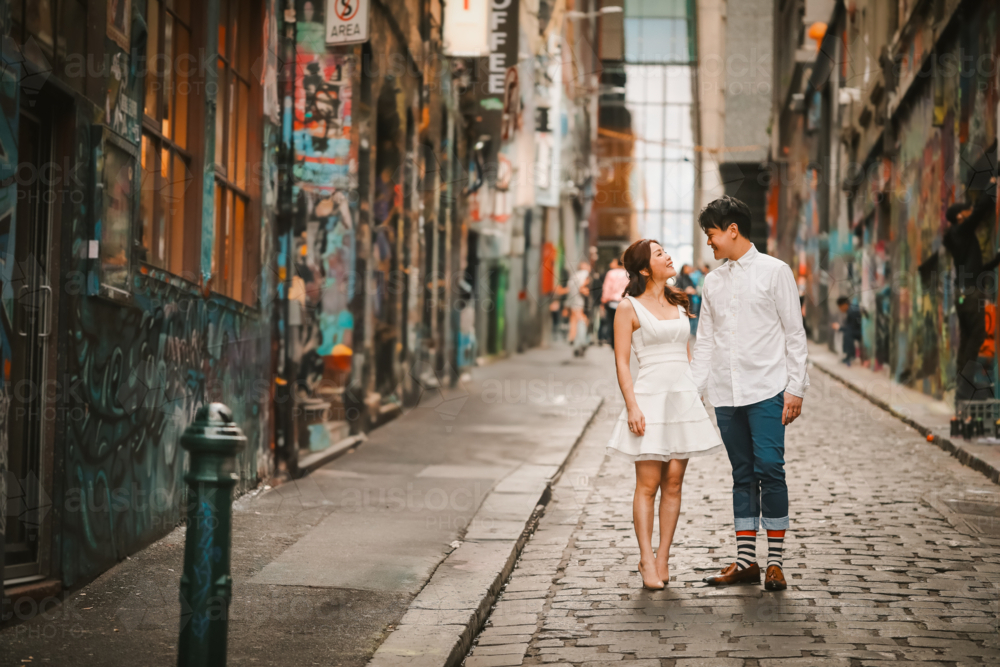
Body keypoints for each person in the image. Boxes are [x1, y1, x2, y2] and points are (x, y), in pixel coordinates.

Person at [690, 195, 809, 592]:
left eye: (711, 234)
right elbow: (704, 339)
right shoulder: (712, 281)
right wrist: (696, 391)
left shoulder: (776, 272)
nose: (709, 242)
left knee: (770, 469)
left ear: (732, 229)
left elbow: (794, 333)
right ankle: (745, 562)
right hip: (726, 393)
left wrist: (795, 388)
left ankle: (774, 563)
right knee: (742, 474)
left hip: (767, 389)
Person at [606, 239, 725, 590]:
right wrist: (632, 406)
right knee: (648, 484)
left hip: (682, 399)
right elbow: (621, 363)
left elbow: (686, 354)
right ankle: (645, 558)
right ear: (644, 269)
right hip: (649, 399)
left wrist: (696, 396)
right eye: (659, 254)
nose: (668, 256)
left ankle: (663, 557)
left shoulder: (678, 300)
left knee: (674, 482)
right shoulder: (627, 307)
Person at [943, 185, 999, 404]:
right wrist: (994, 184)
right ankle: (965, 388)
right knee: (977, 335)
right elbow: (982, 208)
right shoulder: (962, 231)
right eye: (966, 210)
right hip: (970, 293)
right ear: (959, 216)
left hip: (962, 293)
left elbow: (976, 269)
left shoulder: (957, 238)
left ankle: (961, 388)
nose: (969, 211)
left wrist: (996, 260)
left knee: (967, 337)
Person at [600, 257, 629, 345]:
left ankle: (613, 342)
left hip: (612, 302)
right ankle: (623, 341)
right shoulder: (628, 274)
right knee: (623, 323)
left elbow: (607, 288)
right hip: (625, 301)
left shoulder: (611, 273)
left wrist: (603, 300)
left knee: (612, 322)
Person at [565, 260, 591, 355]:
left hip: (573, 302)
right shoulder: (585, 274)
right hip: (581, 302)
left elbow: (569, 289)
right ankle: (582, 342)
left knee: (574, 322)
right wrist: (587, 292)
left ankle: (574, 340)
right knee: (583, 321)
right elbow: (582, 288)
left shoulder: (574, 276)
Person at [832, 296, 862, 366]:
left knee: (847, 334)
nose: (840, 309)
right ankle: (848, 355)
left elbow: (851, 328)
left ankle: (850, 356)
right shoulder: (851, 310)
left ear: (844, 305)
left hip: (859, 332)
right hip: (855, 330)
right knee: (847, 333)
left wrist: (839, 328)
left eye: (840, 307)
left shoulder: (852, 312)